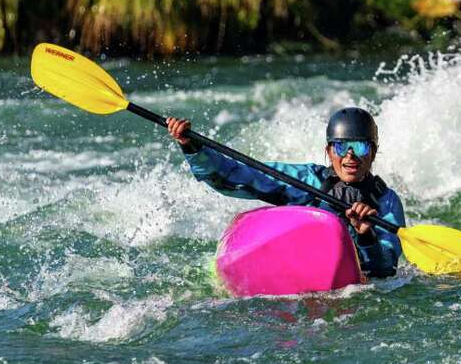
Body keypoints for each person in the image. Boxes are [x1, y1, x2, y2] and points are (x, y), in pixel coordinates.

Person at [164, 107, 404, 278]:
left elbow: (385, 270)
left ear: (373, 152)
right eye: (341, 146)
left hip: (352, 284)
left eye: (359, 147)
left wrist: (366, 236)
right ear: (329, 151)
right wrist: (192, 146)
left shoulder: (385, 201)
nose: (350, 156)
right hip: (302, 267)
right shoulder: (310, 181)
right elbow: (238, 175)